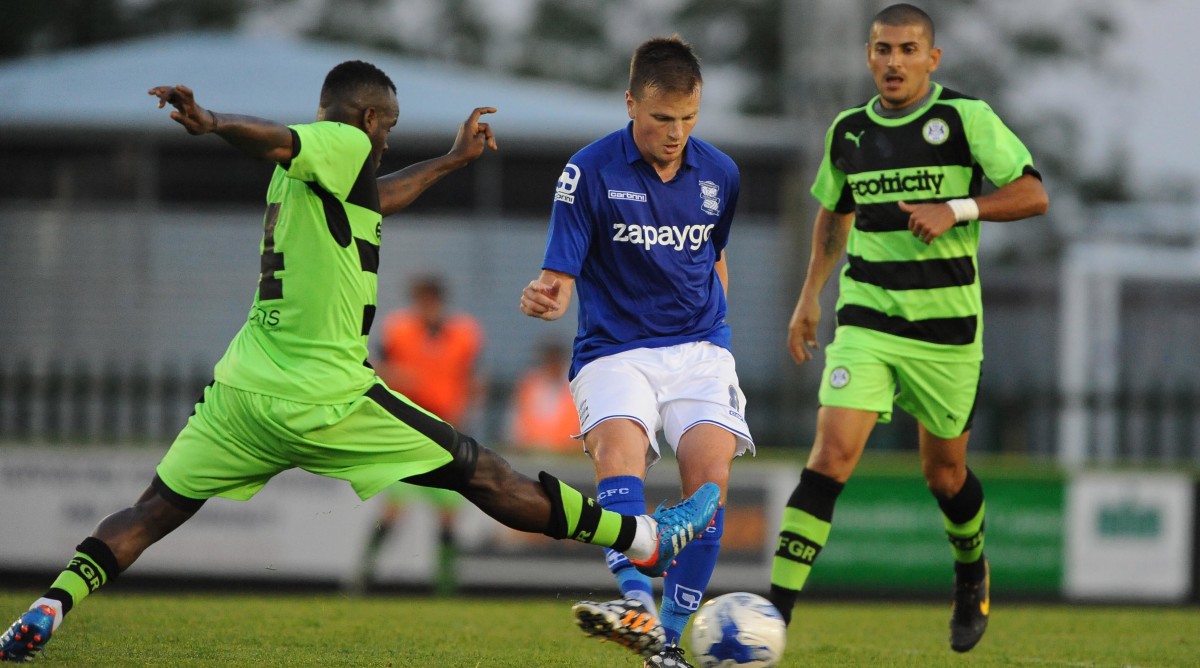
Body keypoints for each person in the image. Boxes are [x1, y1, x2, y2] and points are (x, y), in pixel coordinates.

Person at [0, 60, 721, 664]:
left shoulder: (315, 181)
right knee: (484, 474)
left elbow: (374, 194)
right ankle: (647, 540)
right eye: (390, 129)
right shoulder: (342, 143)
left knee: (154, 510)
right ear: (369, 120)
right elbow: (279, 138)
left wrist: (450, 159)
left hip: (241, 392)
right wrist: (215, 121)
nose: (384, 143)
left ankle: (48, 608)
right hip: (329, 396)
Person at [764, 3, 1049, 655]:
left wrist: (959, 207)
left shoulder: (964, 119)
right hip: (866, 319)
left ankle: (971, 567)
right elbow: (834, 214)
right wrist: (809, 294)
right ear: (869, 56)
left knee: (945, 475)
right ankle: (773, 615)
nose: (894, 62)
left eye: (907, 49)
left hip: (947, 333)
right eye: (883, 49)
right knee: (831, 455)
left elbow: (1034, 193)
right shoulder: (848, 131)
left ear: (932, 58)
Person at [520, 36, 753, 668]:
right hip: (615, 352)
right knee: (618, 465)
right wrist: (548, 296)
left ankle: (667, 646)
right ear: (630, 105)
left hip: (701, 350)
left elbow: (713, 254)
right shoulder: (588, 170)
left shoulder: (722, 174)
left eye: (688, 119)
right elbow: (560, 276)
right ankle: (638, 611)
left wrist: (716, 335)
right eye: (661, 119)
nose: (676, 133)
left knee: (710, 484)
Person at [350, 275, 484, 596]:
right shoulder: (398, 329)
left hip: (446, 431)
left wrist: (468, 409)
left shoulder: (464, 334)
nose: (425, 307)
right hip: (407, 431)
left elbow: (473, 377)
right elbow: (375, 367)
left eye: (430, 300)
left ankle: (445, 584)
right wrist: (397, 376)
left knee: (449, 513)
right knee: (393, 509)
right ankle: (363, 575)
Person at [507, 339, 580, 454]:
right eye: (549, 361)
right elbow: (516, 424)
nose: (552, 366)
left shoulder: (576, 388)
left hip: (567, 455)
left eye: (555, 361)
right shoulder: (529, 386)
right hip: (530, 452)